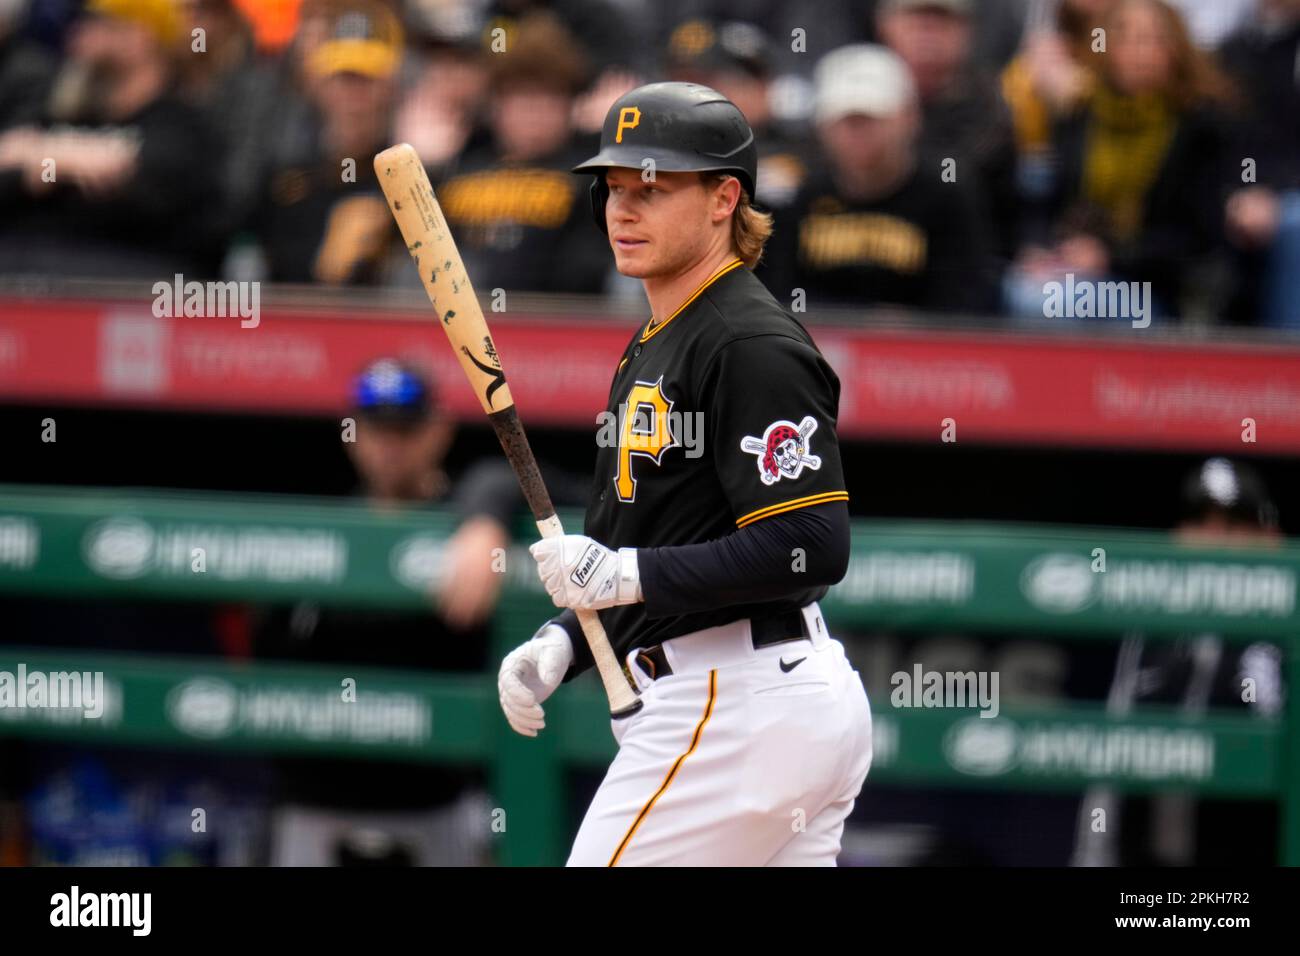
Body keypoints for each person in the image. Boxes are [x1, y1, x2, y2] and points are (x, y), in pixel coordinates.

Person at [496, 81, 873, 866]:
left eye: (653, 189)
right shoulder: (662, 332)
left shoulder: (745, 341)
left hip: (736, 703)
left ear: (723, 198)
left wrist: (622, 575)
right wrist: (568, 637)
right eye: (613, 189)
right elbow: (663, 536)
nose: (622, 210)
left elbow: (811, 545)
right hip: (752, 697)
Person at [255, 358, 523, 866]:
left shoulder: (471, 515)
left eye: (406, 429)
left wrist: (488, 512)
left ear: (439, 430)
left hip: (438, 803)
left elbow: (558, 489)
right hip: (319, 803)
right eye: (376, 429)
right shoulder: (321, 529)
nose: (390, 445)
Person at [1071, 457, 1284, 867]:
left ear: (1269, 537)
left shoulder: (1282, 636)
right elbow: (1109, 764)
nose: (1215, 539)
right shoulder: (1153, 631)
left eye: (1234, 524)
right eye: (1200, 523)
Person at [1005, 0, 1234, 323]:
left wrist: (1109, 256)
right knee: (1017, 286)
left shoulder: (1199, 128)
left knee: (1039, 301)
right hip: (1072, 270)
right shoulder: (1079, 113)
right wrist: (1038, 246)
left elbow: (1199, 242)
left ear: (1176, 50)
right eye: (1126, 39)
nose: (1139, 53)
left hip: (1155, 288)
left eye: (1152, 40)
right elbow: (1044, 200)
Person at [759, 44, 1001, 314]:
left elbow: (968, 297)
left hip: (918, 352)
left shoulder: (947, 193)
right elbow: (778, 296)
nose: (858, 134)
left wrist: (913, 326)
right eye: (846, 121)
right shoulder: (798, 193)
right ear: (822, 126)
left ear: (909, 117)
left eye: (873, 119)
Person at [0, 0, 224, 278]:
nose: (79, 32)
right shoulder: (66, 117)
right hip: (30, 284)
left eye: (97, 20)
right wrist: (64, 164)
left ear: (140, 36)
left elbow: (144, 201)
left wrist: (43, 160)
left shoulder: (180, 127)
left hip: (127, 291)